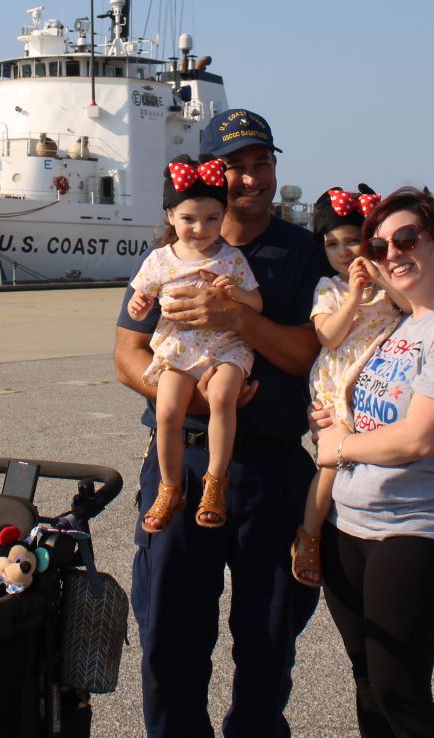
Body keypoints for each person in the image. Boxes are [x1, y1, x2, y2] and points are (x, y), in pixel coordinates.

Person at [114, 108, 327, 738]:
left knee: (268, 635)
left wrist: (237, 318)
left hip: (267, 468)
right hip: (185, 457)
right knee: (170, 632)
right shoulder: (170, 250)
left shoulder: (302, 254)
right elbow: (127, 356)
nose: (252, 179)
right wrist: (192, 398)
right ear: (211, 175)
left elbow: (307, 354)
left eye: (263, 163)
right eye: (235, 167)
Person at [312, 186, 434, 738]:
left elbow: (421, 438)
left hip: (415, 527)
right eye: (378, 244)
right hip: (348, 523)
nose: (392, 253)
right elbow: (360, 399)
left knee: (401, 689)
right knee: (369, 682)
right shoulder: (401, 322)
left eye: (406, 239)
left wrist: (339, 449)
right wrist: (330, 416)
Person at [129, 155, 265, 533]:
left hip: (225, 347)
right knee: (167, 413)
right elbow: (139, 310)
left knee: (222, 398)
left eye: (211, 218)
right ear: (171, 216)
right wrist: (140, 304)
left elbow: (256, 303)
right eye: (189, 219)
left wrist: (235, 292)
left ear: (223, 216)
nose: (200, 228)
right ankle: (170, 488)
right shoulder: (158, 260)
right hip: (178, 348)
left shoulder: (231, 258)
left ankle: (214, 483)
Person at [291, 185, 401, 588]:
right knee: (332, 462)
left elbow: (410, 307)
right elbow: (328, 336)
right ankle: (310, 534)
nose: (343, 252)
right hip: (338, 386)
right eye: (332, 244)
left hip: (378, 383)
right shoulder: (330, 288)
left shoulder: (388, 283)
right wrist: (354, 295)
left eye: (353, 240)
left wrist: (380, 279)